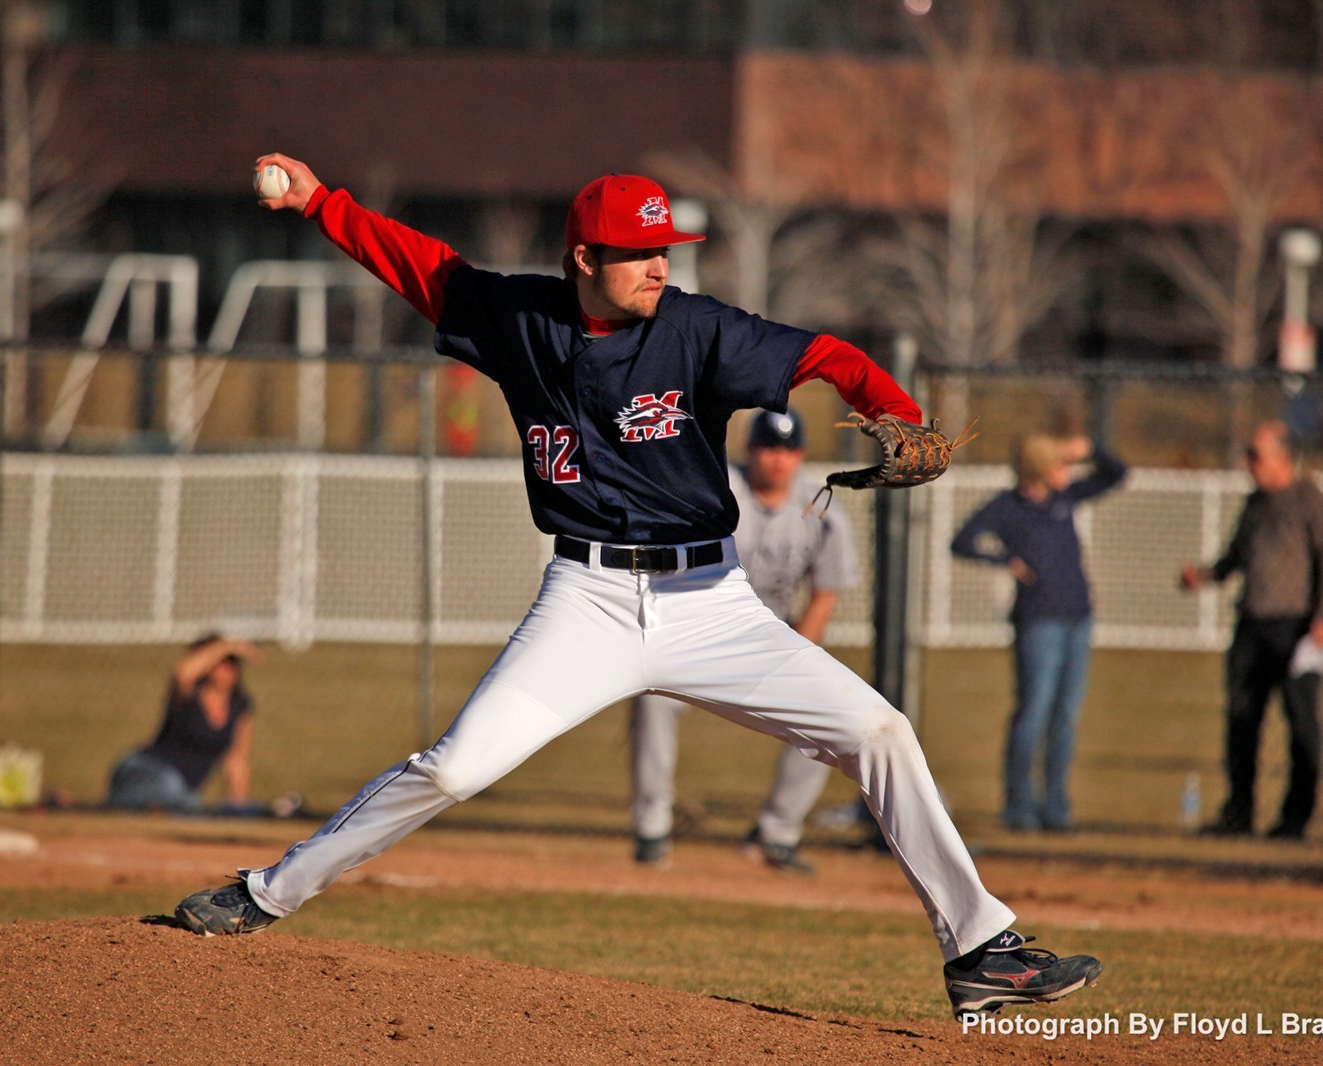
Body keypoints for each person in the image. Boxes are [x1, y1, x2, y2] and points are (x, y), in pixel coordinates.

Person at [174, 156, 1103, 1019]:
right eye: (638, 252)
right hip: (586, 601)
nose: (658, 266)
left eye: (666, 249)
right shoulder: (521, 318)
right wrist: (318, 201)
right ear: (585, 256)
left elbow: (823, 353)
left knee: (880, 731)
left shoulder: (696, 329)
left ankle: (980, 946)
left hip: (715, 606)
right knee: (455, 766)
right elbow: (418, 266)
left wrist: (891, 407)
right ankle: (266, 892)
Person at [630, 407, 857, 874]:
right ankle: (652, 826)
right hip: (698, 631)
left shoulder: (820, 505)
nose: (778, 459)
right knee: (652, 700)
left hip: (768, 634)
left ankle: (777, 833)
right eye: (769, 447)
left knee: (829, 708)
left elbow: (825, 591)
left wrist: (801, 654)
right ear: (751, 451)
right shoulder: (714, 492)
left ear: (802, 455)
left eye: (788, 449)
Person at [950, 434, 1127, 832]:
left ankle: (1057, 808)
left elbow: (1117, 475)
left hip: (1078, 618)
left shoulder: (1063, 500)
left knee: (1065, 716)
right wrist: (1005, 560)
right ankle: (1020, 806)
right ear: (1040, 470)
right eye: (1060, 464)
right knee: (1033, 711)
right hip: (1039, 621)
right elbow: (961, 541)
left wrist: (1092, 449)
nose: (1068, 471)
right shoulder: (1008, 507)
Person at [1180, 421, 1323, 839]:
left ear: (1281, 457)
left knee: (1301, 724)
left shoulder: (1309, 500)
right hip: (1251, 625)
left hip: (1295, 628)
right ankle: (1239, 813)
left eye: (1256, 455)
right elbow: (1235, 556)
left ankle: (1295, 820)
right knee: (1241, 720)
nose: (1249, 464)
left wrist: (1322, 616)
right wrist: (1204, 576)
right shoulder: (1255, 503)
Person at [107, 633, 264, 814]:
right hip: (144, 769)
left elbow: (236, 760)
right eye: (220, 661)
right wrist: (228, 645)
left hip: (182, 790)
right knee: (176, 792)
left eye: (231, 662)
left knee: (188, 801)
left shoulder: (239, 704)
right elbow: (183, 672)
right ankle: (122, 804)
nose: (226, 668)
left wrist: (237, 807)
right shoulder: (188, 694)